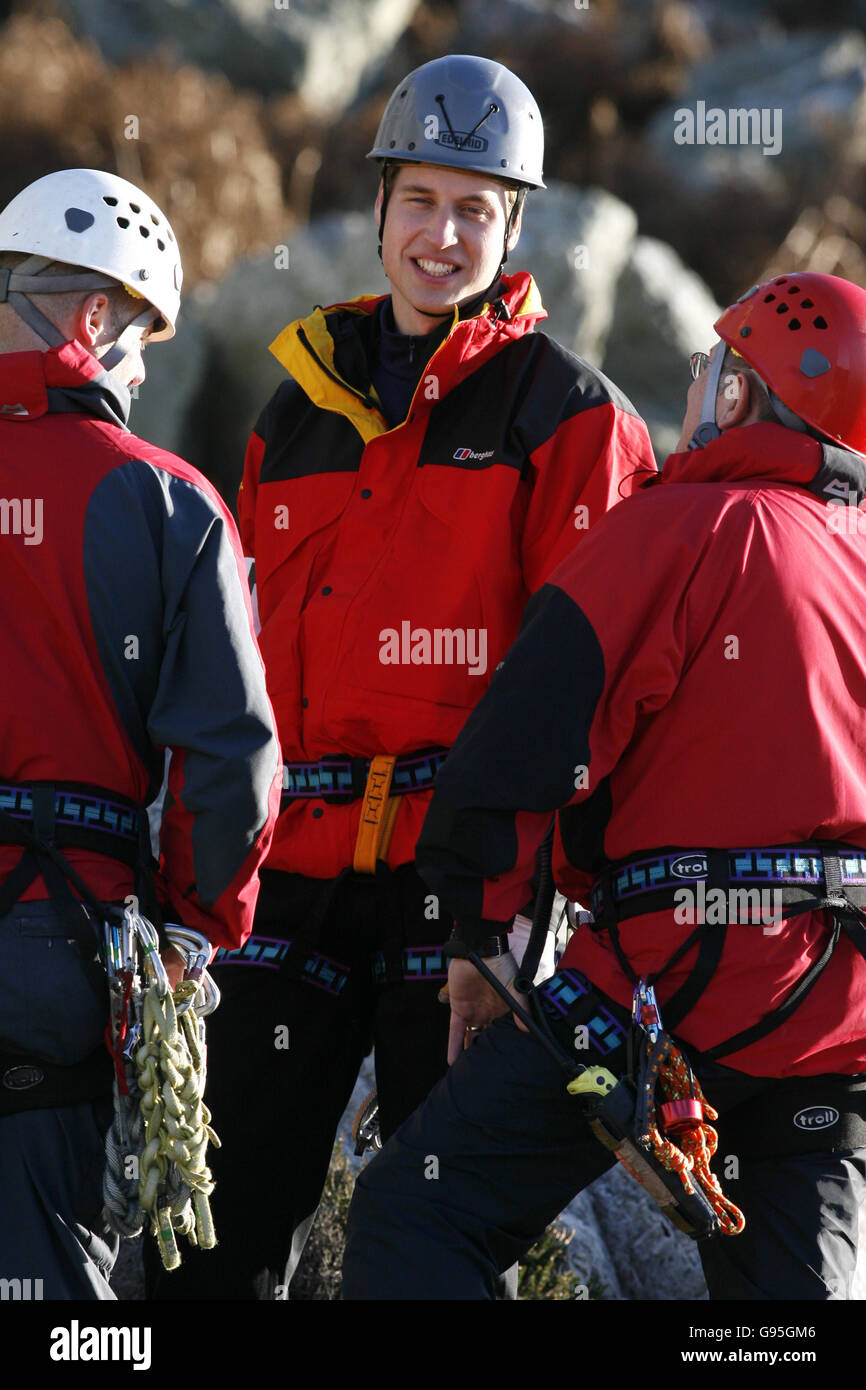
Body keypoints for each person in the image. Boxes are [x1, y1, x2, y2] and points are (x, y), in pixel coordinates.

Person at [147, 52, 656, 1302]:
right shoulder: (294, 413)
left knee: (424, 1231)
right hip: (293, 881)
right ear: (376, 206)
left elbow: (579, 697)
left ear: (514, 225)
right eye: (419, 200)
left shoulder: (571, 419)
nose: (440, 235)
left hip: (457, 889)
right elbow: (240, 677)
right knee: (213, 1232)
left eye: (473, 209)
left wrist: (505, 919)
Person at [342, 271, 866, 1302]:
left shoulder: (681, 529)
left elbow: (522, 746)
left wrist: (480, 943)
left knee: (415, 1214)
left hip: (663, 986)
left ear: (736, 397)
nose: (691, 384)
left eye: (705, 366)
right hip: (835, 1022)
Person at [0, 167, 281, 1300]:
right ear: (98, 317)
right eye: (146, 340)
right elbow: (230, 763)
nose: (147, 368)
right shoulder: (168, 502)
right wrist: (192, 931)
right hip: (61, 950)